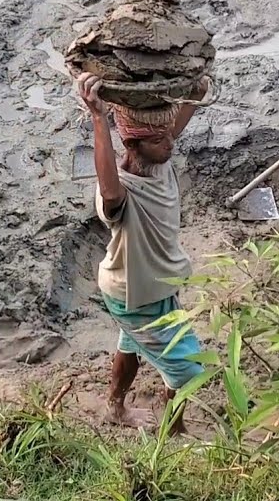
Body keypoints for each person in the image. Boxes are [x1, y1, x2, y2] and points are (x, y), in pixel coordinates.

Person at [75, 71, 207, 435]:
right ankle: (174, 429)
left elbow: (170, 132)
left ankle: (114, 406)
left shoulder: (158, 163)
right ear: (132, 147)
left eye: (168, 137)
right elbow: (108, 186)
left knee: (130, 347)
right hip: (134, 297)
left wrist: (193, 95)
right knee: (188, 370)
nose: (171, 145)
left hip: (154, 288)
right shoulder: (120, 195)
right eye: (159, 140)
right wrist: (98, 118)